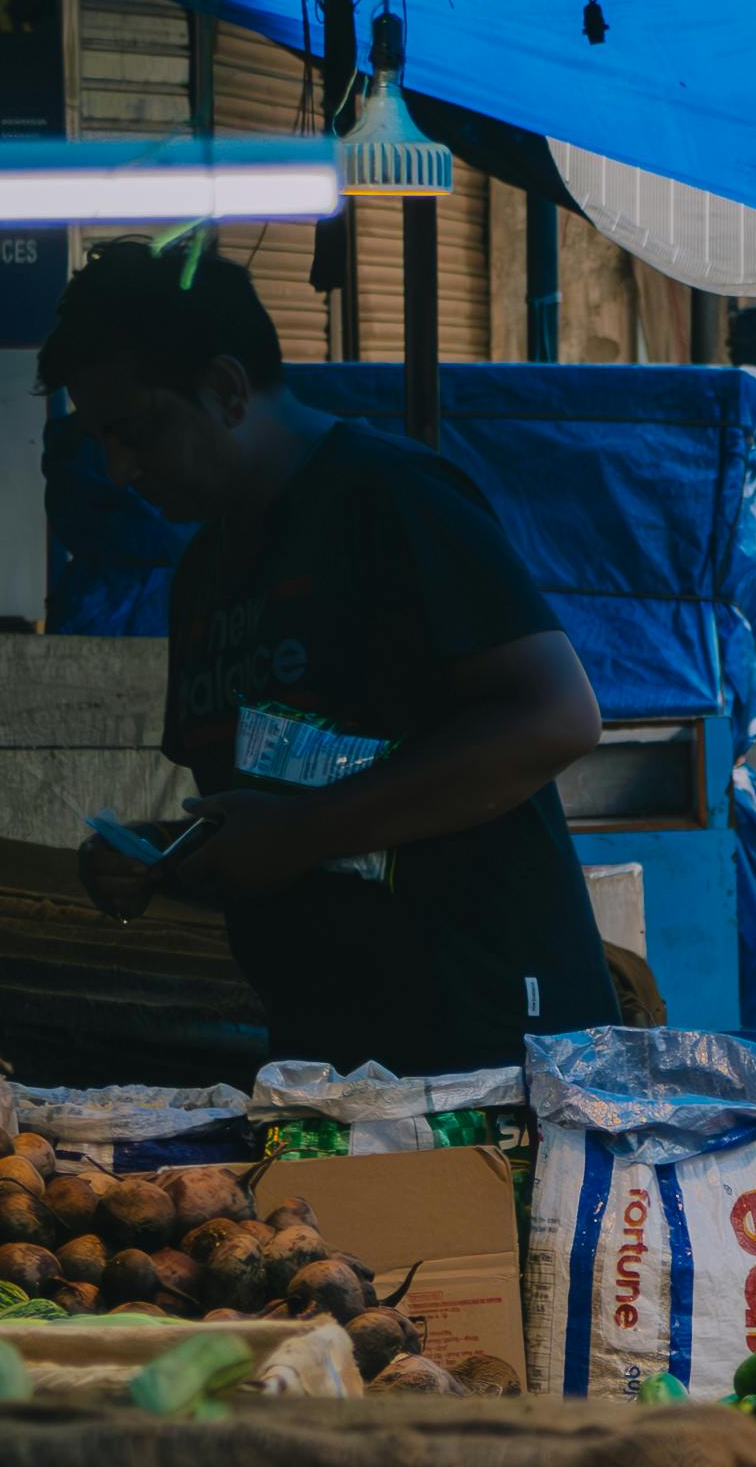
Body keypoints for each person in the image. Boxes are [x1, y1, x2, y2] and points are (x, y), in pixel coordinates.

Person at [46, 239, 618, 1072]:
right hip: (326, 1057)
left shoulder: (390, 500)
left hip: (486, 1052)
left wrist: (298, 834)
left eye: (136, 431)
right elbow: (278, 804)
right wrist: (166, 859)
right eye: (100, 439)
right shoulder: (204, 572)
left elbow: (557, 716)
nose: (119, 467)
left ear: (226, 389)